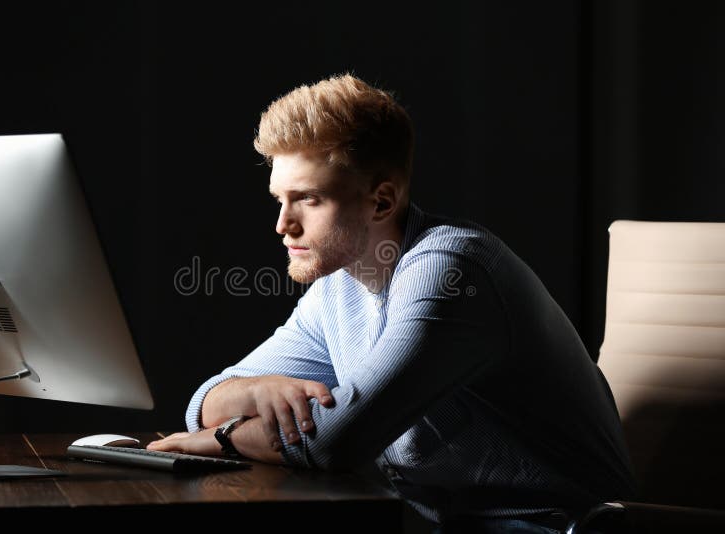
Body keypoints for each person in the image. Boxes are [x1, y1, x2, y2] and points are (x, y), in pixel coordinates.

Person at [147, 73, 636, 531]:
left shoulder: (451, 271)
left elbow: (334, 442)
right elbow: (203, 403)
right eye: (279, 199)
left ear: (381, 201)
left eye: (309, 200)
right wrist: (253, 394)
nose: (283, 225)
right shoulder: (335, 288)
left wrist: (221, 440)